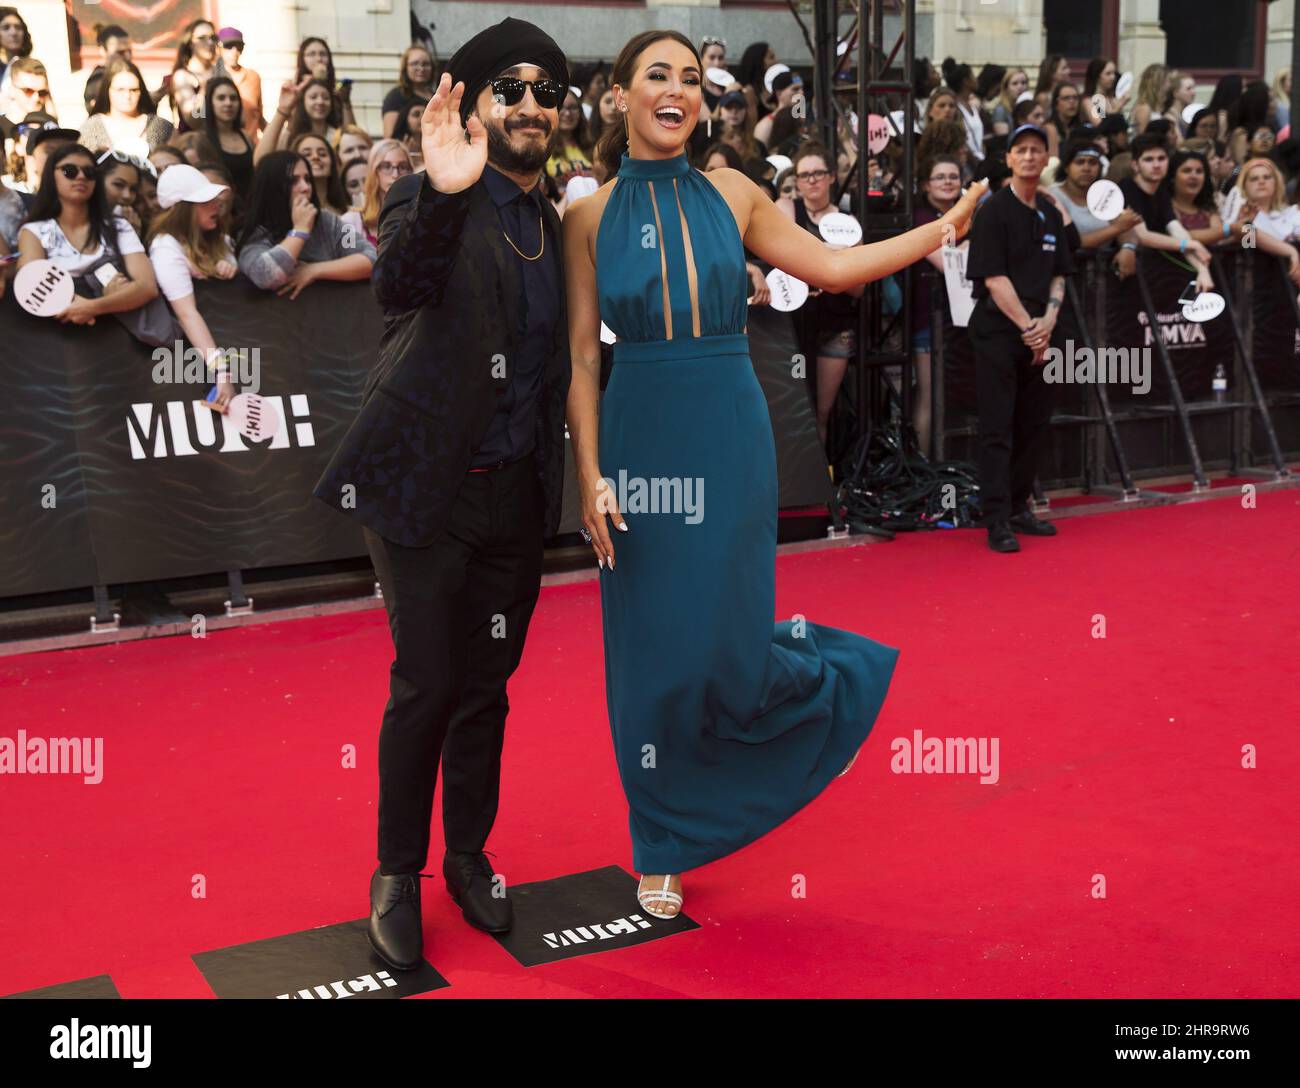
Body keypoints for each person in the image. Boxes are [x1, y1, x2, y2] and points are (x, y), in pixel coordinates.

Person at [564, 29, 981, 918]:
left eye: (688, 79)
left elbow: (832, 267)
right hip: (639, 437)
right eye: (656, 77)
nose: (676, 91)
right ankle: (664, 839)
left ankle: (825, 679)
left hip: (728, 429)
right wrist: (591, 477)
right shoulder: (586, 218)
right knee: (651, 651)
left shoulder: (736, 192)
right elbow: (577, 365)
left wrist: (939, 232)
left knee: (728, 644)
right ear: (621, 97)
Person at [310, 18, 576, 972]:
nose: (533, 104)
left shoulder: (552, 225)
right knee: (423, 684)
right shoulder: (430, 197)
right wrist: (447, 190)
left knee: (487, 689)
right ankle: (395, 872)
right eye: (510, 87)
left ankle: (469, 857)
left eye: (548, 90)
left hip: (515, 499)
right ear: (470, 105)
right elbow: (399, 285)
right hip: (424, 495)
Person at [963, 124, 1072, 553]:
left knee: (1034, 423)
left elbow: (1060, 272)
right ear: (1009, 159)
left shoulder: (1047, 211)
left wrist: (1049, 319)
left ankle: (1019, 505)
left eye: (1036, 151)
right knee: (997, 426)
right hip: (998, 332)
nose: (1028, 157)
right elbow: (993, 278)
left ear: (1046, 160)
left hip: (1042, 335)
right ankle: (995, 519)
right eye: (1020, 150)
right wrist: (1030, 328)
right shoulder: (992, 211)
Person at [775, 141, 864, 449]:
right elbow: (779, 257)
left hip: (833, 327)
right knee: (790, 412)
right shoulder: (786, 209)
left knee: (819, 414)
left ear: (831, 177)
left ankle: (822, 490)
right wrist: (830, 259)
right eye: (804, 174)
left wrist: (823, 265)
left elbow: (857, 286)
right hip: (791, 328)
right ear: (796, 181)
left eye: (818, 173)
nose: (811, 180)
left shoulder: (848, 224)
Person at [16, 142, 159, 323]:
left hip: (119, 337)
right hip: (59, 339)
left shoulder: (118, 226)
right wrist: (105, 298)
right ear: (52, 175)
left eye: (90, 172)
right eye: (70, 171)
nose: (81, 177)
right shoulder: (34, 232)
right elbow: (32, 290)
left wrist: (95, 306)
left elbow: (147, 287)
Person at [147, 163, 239, 411]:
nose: (216, 205)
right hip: (183, 367)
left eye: (214, 198)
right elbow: (186, 314)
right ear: (182, 210)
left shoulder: (221, 240)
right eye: (205, 200)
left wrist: (228, 264)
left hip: (244, 353)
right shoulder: (166, 248)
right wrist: (221, 373)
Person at [236, 149, 374, 295]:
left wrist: (314, 270)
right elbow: (266, 276)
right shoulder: (254, 231)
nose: (305, 187)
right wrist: (300, 231)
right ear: (272, 187)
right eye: (293, 181)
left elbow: (369, 258)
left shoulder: (328, 222)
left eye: (307, 179)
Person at [910, 154, 965, 452]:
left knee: (956, 398)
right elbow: (949, 263)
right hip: (927, 322)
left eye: (953, 176)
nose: (947, 182)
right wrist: (967, 246)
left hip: (965, 324)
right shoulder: (921, 217)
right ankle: (923, 467)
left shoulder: (972, 215)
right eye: (940, 177)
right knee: (929, 397)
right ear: (926, 185)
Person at [1117, 132, 1214, 294]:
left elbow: (1176, 230)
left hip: (1154, 277)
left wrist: (1202, 270)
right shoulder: (1127, 187)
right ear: (1135, 165)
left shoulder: (1161, 192)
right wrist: (1191, 244)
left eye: (1161, 159)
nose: (1156, 165)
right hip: (1123, 277)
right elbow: (1143, 236)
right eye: (1149, 159)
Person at [1049, 139, 1141, 249]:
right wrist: (1117, 228)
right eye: (1080, 162)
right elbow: (1071, 242)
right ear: (1066, 167)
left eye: (1092, 162)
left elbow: (1128, 229)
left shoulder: (1105, 193)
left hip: (1105, 263)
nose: (1086, 168)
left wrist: (1128, 247)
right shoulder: (1052, 196)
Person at [80, 56, 174, 157]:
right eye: (120, 90)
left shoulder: (161, 127)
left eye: (134, 90)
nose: (127, 96)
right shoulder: (91, 128)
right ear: (107, 91)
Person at [201, 75, 255, 201]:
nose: (228, 103)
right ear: (210, 103)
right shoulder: (203, 139)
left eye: (233, 98)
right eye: (221, 98)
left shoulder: (246, 136)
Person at [357, 138, 412, 245]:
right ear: (374, 171)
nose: (395, 175)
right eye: (387, 167)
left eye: (403, 167)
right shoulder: (350, 220)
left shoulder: (421, 215)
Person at [217, 28, 264, 143]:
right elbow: (199, 115)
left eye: (239, 47)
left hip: (251, 147)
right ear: (218, 48)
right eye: (229, 46)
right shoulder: (210, 77)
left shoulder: (253, 77)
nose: (234, 51)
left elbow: (258, 115)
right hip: (220, 147)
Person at [381, 44, 435, 137]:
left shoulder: (436, 95)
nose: (421, 68)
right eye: (415, 64)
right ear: (405, 68)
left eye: (426, 64)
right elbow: (389, 137)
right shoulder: (396, 96)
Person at [289, 131, 348, 214]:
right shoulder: (289, 211)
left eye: (322, 154)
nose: (315, 157)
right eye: (307, 154)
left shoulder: (346, 212)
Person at [82, 24, 132, 112]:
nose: (127, 56)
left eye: (129, 51)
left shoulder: (130, 73)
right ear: (103, 51)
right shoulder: (98, 79)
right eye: (120, 52)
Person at [545, 88, 593, 180]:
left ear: (580, 112)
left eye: (573, 107)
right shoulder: (543, 146)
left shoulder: (591, 145)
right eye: (561, 107)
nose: (567, 113)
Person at [1081, 57, 1128, 126]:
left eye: (1114, 73)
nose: (1113, 77)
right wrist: (1120, 105)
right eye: (1108, 74)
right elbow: (1100, 126)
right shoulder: (1089, 101)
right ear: (1097, 76)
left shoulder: (1112, 98)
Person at [991, 68, 1028, 136]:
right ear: (1006, 88)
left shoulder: (1026, 108)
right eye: (1015, 84)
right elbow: (1003, 140)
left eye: (1023, 83)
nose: (1020, 87)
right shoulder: (1000, 111)